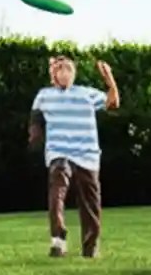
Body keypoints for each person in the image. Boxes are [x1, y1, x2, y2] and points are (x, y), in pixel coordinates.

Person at [27, 55, 120, 258]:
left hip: (87, 153)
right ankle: (58, 240)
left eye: (68, 69)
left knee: (90, 202)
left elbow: (113, 103)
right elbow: (35, 117)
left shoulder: (86, 94)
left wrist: (109, 79)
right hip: (59, 151)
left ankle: (90, 247)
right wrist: (35, 134)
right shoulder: (44, 95)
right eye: (60, 70)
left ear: (74, 74)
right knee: (57, 193)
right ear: (53, 75)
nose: (65, 73)